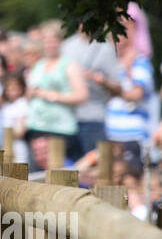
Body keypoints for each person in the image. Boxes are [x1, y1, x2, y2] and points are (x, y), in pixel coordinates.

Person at [24, 20, 87, 168]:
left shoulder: (69, 64)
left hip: (60, 130)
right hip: (36, 128)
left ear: (60, 41)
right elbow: (28, 96)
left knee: (58, 175)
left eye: (53, 40)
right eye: (46, 40)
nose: (49, 44)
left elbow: (82, 95)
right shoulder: (38, 65)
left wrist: (53, 96)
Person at [59, 25, 123, 156]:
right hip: (66, 119)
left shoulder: (105, 48)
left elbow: (118, 88)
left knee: (95, 170)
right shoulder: (66, 46)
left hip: (94, 118)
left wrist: (100, 80)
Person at [104, 13, 154, 159]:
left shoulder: (140, 62)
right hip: (112, 134)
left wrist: (113, 88)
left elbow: (136, 94)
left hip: (134, 135)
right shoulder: (112, 63)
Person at [0, 71, 30, 163]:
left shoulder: (22, 104)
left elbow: (21, 131)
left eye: (15, 87)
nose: (12, 89)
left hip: (17, 146)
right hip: (5, 144)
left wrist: (8, 134)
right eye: (9, 87)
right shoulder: (5, 106)